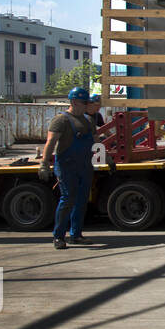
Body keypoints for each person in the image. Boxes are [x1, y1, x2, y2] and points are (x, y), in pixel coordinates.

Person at [39, 86, 97, 249]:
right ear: (73, 101)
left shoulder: (88, 121)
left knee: (81, 201)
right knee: (67, 200)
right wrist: (44, 164)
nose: (86, 105)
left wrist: (107, 159)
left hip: (85, 166)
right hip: (67, 166)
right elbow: (50, 143)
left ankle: (76, 235)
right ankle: (58, 236)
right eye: (83, 102)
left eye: (87, 102)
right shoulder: (61, 120)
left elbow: (96, 142)